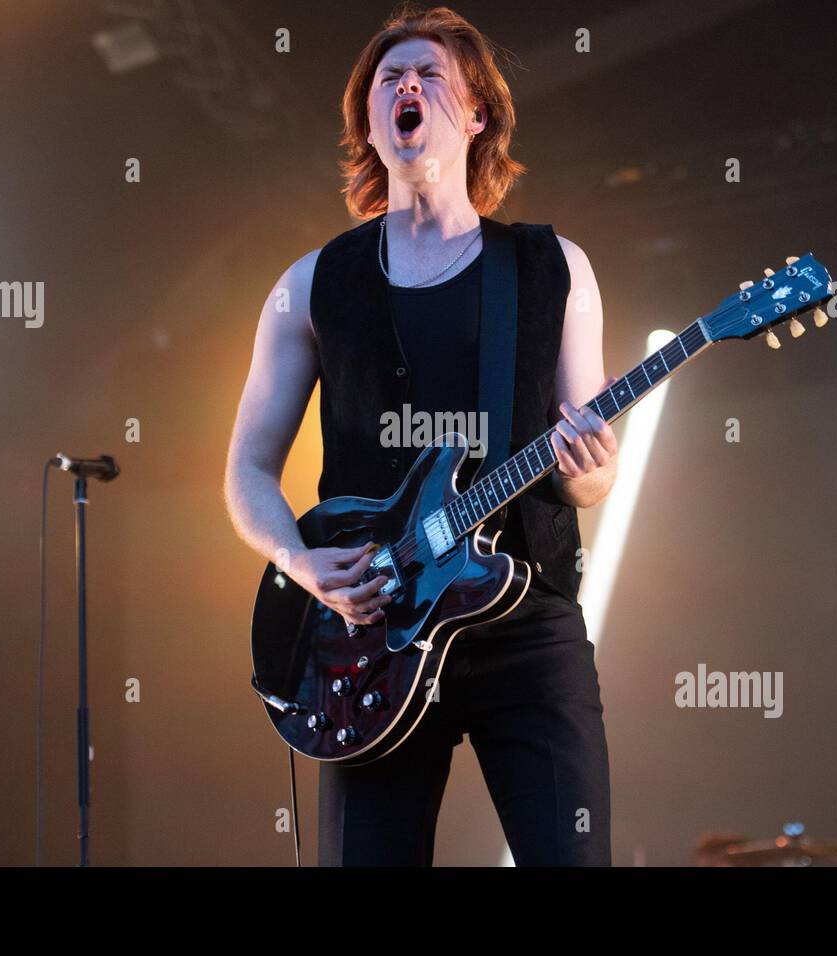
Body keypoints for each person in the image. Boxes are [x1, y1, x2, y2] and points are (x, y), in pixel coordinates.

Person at [225, 4, 618, 866]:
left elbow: (587, 475)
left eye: (428, 73)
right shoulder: (311, 285)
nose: (404, 86)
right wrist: (301, 563)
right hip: (371, 632)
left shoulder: (553, 268)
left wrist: (592, 472)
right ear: (369, 119)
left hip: (524, 618)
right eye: (385, 79)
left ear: (477, 114)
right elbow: (247, 470)